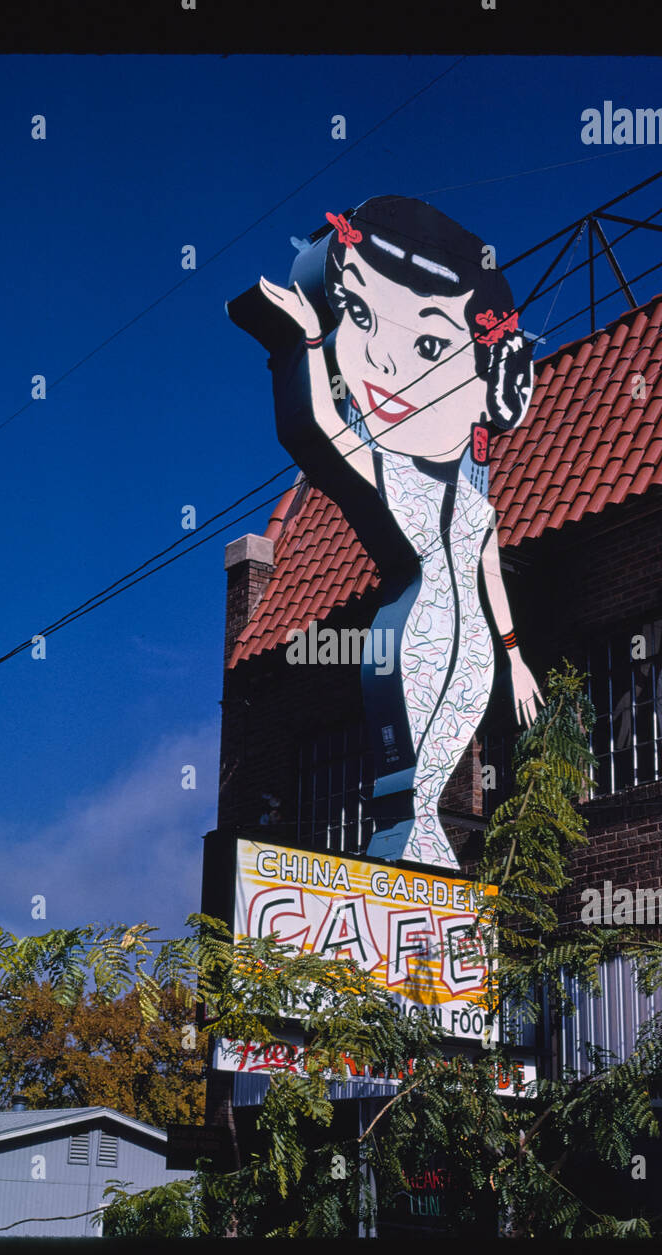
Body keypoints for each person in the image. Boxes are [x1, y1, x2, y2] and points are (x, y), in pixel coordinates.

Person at [248, 195, 543, 871]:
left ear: (496, 381)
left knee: (439, 762)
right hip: (408, 635)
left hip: (475, 654)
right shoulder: (387, 471)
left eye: (432, 344)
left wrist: (515, 657)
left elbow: (490, 574)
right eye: (360, 316)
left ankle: (425, 859)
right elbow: (318, 424)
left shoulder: (477, 496)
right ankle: (409, 856)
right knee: (404, 779)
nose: (381, 361)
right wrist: (303, 346)